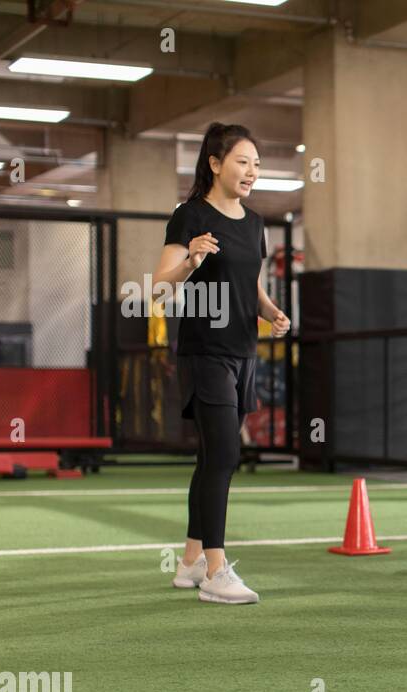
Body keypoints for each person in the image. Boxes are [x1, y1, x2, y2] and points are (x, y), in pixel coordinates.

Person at [158, 123, 290, 605]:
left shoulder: (254, 224)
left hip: (244, 352)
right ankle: (215, 570)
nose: (252, 171)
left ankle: (190, 560)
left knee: (211, 458)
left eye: (257, 163)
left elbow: (249, 285)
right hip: (205, 353)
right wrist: (190, 261)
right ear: (215, 164)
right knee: (226, 456)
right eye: (242, 161)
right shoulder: (189, 215)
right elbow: (159, 286)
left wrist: (271, 311)